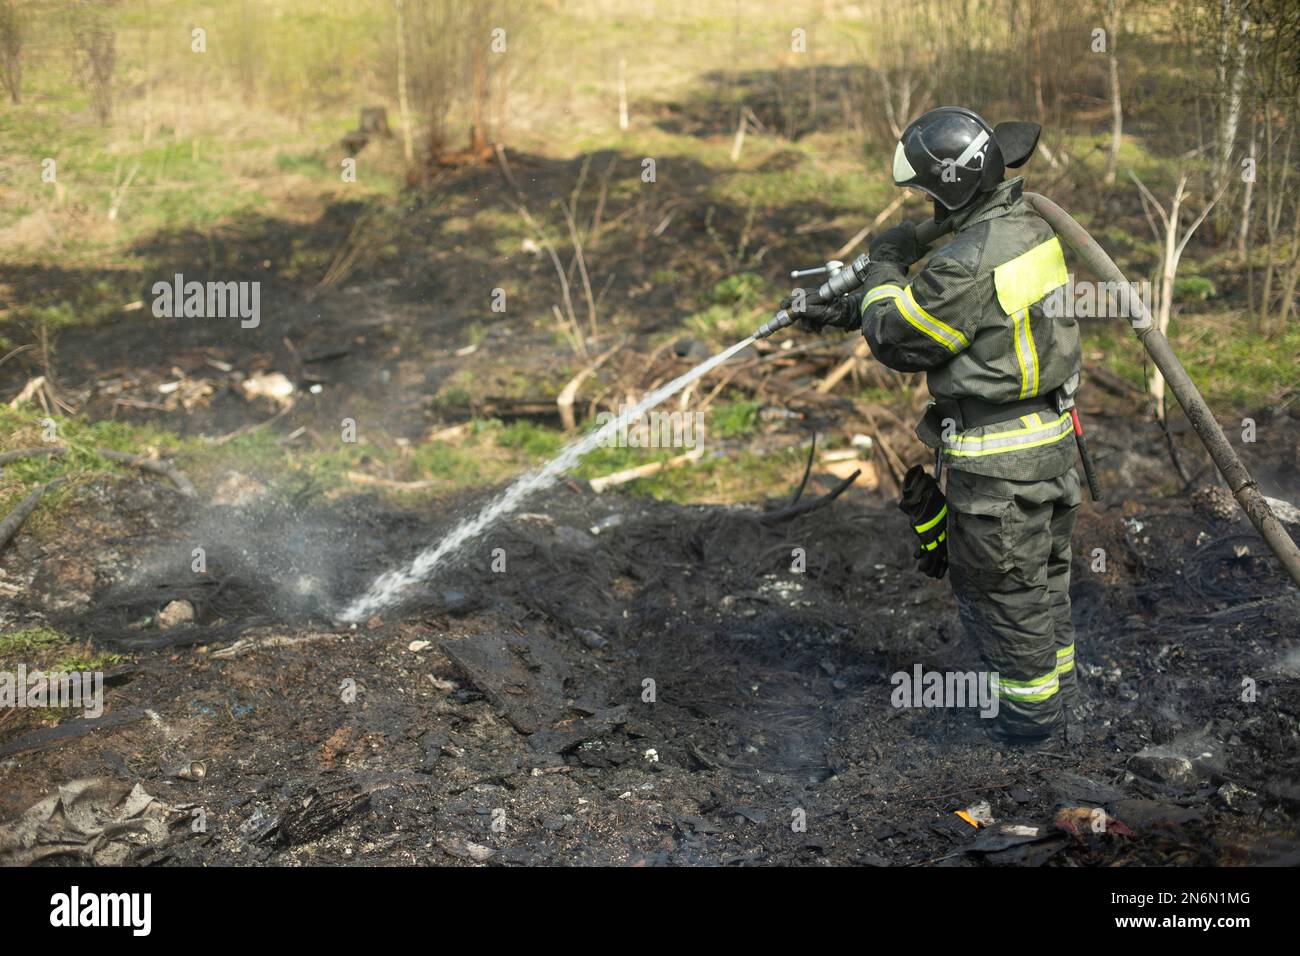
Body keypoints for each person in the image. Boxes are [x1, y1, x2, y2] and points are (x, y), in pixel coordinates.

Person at [782, 107, 1083, 745]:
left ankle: (1030, 733)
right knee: (1042, 587)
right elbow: (967, 317)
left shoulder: (969, 262)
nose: (919, 201)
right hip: (1051, 450)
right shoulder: (1022, 225)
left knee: (1003, 595)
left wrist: (886, 265)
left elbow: (901, 335)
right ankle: (1060, 707)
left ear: (949, 186)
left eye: (924, 190)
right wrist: (840, 309)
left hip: (999, 468)